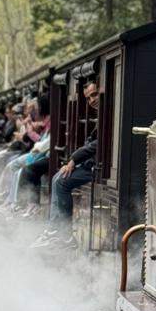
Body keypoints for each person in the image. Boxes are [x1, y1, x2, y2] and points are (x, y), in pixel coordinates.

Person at [38, 78, 99, 243]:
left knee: (62, 181)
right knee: (57, 177)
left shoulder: (107, 115)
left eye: (94, 95)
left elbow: (96, 145)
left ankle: (63, 234)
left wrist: (73, 159)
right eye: (88, 98)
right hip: (89, 164)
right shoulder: (101, 115)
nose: (92, 100)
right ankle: (53, 229)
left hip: (98, 168)